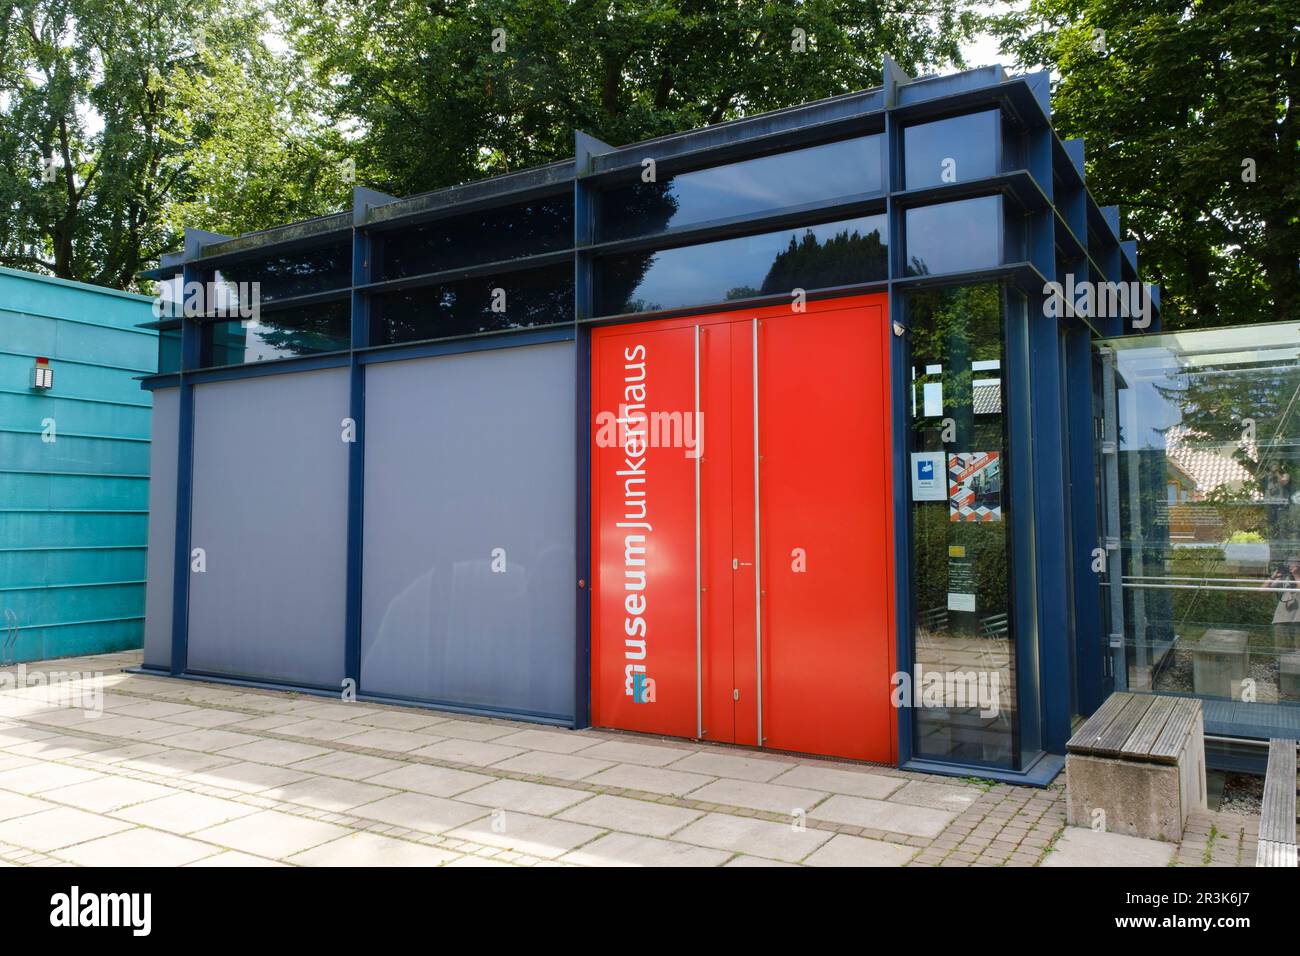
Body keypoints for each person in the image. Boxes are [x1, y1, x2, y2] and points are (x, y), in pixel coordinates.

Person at [1265, 555, 1300, 652]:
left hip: (1298, 617)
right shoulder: (1285, 578)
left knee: (1298, 645)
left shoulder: (1295, 576)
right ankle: (1280, 662)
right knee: (1282, 645)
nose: (1290, 566)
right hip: (1283, 617)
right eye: (1288, 563)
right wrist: (1273, 576)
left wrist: (1296, 575)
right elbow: (1262, 589)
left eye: (1293, 563)